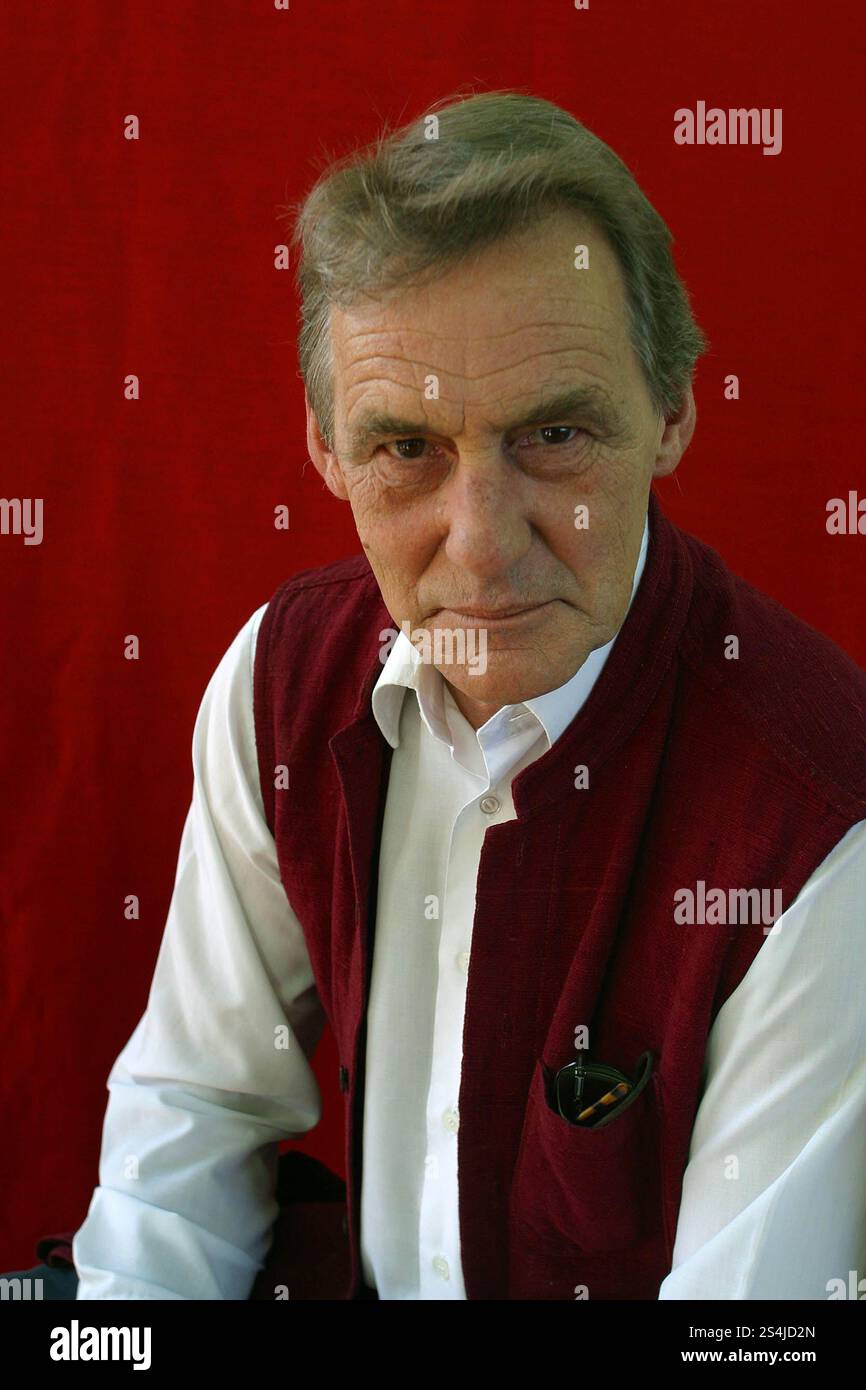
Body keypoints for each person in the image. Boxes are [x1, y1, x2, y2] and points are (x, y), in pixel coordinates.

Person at [21, 88, 866, 1300]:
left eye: (555, 436)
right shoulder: (278, 682)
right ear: (324, 448)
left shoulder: (818, 823)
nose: (477, 549)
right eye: (406, 448)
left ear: (671, 409)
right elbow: (196, 1108)